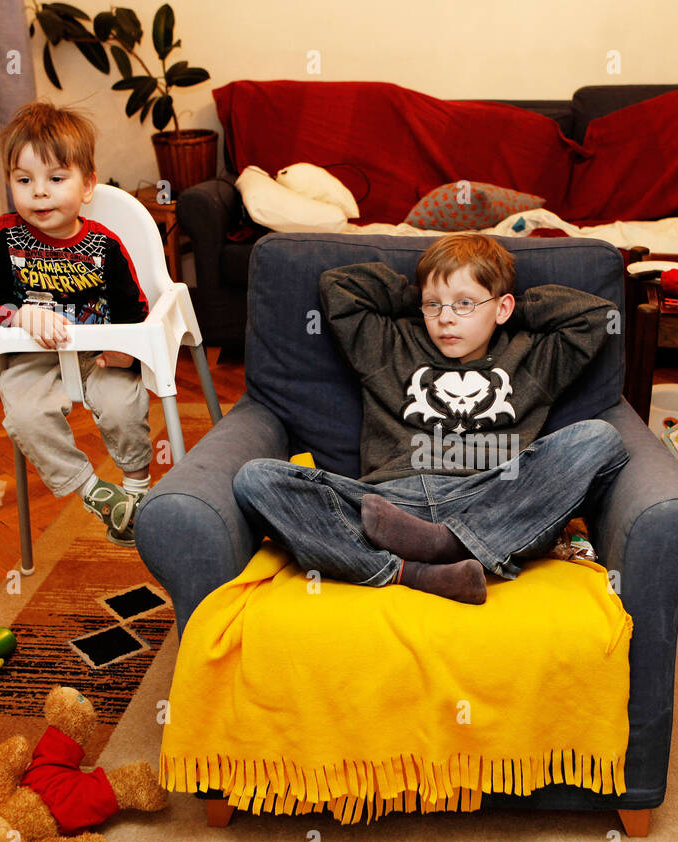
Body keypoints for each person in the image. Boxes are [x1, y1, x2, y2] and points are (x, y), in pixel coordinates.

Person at [232, 233, 629, 604]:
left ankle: (450, 544)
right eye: (434, 305)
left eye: (464, 304)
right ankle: (412, 572)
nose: (446, 319)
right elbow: (340, 287)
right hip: (388, 503)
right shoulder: (389, 345)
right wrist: (423, 296)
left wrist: (504, 311)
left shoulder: (533, 356)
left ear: (503, 306)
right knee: (256, 479)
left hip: (489, 496)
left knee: (600, 439)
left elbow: (596, 316)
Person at [0, 102, 151, 546]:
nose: (39, 193)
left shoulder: (106, 245)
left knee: (124, 405)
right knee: (25, 416)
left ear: (87, 185)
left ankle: (138, 493)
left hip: (98, 355)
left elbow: (133, 307)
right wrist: (15, 313)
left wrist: (125, 350)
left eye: (56, 179)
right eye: (24, 181)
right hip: (33, 356)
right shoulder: (3, 239)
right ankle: (96, 493)